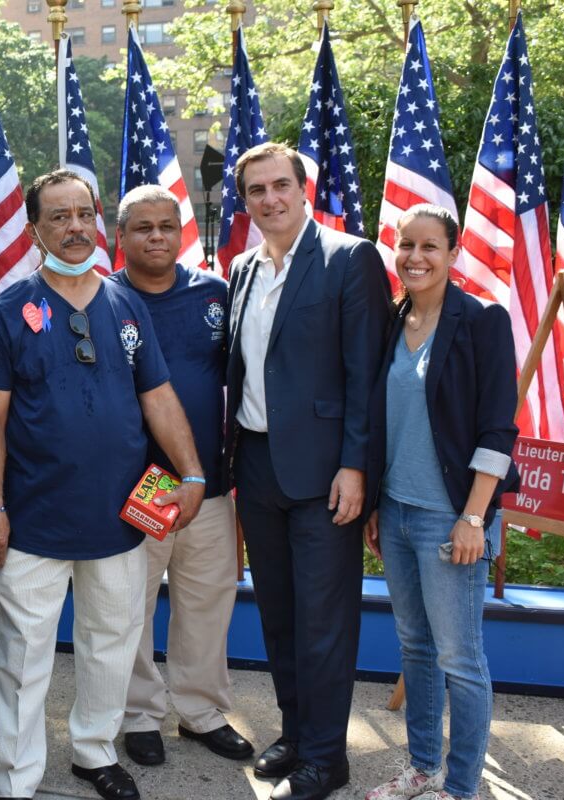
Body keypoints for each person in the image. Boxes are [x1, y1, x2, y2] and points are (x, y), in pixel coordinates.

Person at [0, 170, 207, 800]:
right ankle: (17, 777)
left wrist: (191, 473)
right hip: (33, 519)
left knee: (112, 644)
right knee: (23, 660)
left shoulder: (125, 302)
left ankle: (95, 751)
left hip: (121, 517)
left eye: (84, 214)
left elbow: (157, 396)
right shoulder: (4, 312)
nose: (75, 227)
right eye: (59, 217)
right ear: (35, 229)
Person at [225, 142, 391, 800]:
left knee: (324, 619)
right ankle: (295, 734)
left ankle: (327, 756)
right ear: (245, 202)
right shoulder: (241, 268)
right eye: (256, 191)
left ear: (303, 189)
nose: (269, 199)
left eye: (279, 186)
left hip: (326, 471)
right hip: (258, 463)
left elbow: (366, 376)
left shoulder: (351, 259)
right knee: (280, 616)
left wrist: (356, 467)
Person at [362, 205, 519, 800]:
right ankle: (423, 768)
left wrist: (475, 516)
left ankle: (460, 788)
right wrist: (377, 500)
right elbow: (383, 422)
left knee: (460, 658)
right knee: (416, 649)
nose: (416, 257)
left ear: (453, 253)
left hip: (453, 517)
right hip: (397, 512)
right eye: (406, 245)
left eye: (430, 246)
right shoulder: (391, 322)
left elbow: (498, 430)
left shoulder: (482, 322)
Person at [111, 185, 253, 766]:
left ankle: (200, 711)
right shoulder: (103, 299)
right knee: (130, 609)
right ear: (120, 237)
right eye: (143, 227)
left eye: (167, 226)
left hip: (210, 487)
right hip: (138, 487)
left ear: (181, 231)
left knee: (207, 601)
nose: (157, 237)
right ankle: (139, 714)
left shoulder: (214, 294)